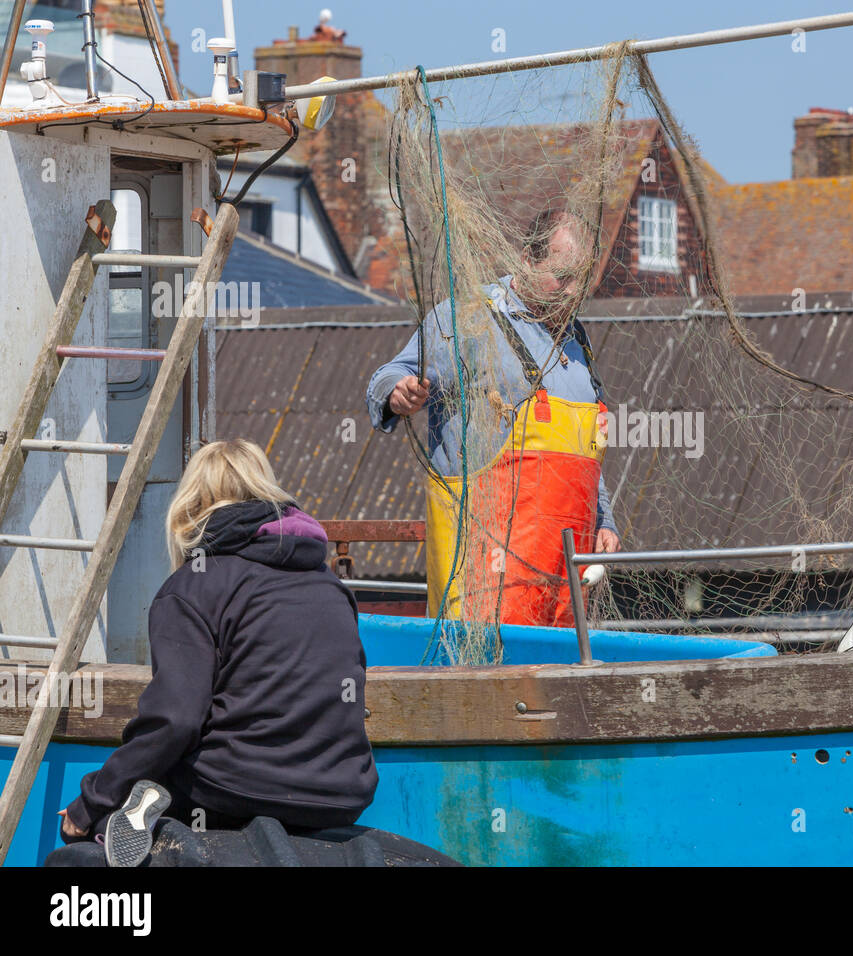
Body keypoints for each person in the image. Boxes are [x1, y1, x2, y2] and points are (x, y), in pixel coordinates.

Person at [59, 440, 378, 861]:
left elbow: (174, 719)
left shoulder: (193, 587)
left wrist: (91, 801)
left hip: (234, 789)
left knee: (111, 806)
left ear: (191, 507)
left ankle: (130, 813)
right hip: (342, 792)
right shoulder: (331, 588)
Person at [366, 207, 620, 627]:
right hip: (483, 574)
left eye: (582, 281)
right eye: (562, 277)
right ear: (526, 259)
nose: (572, 293)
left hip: (563, 583)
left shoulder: (578, 341)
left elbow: (582, 448)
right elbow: (389, 374)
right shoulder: (470, 319)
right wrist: (398, 392)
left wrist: (603, 519)